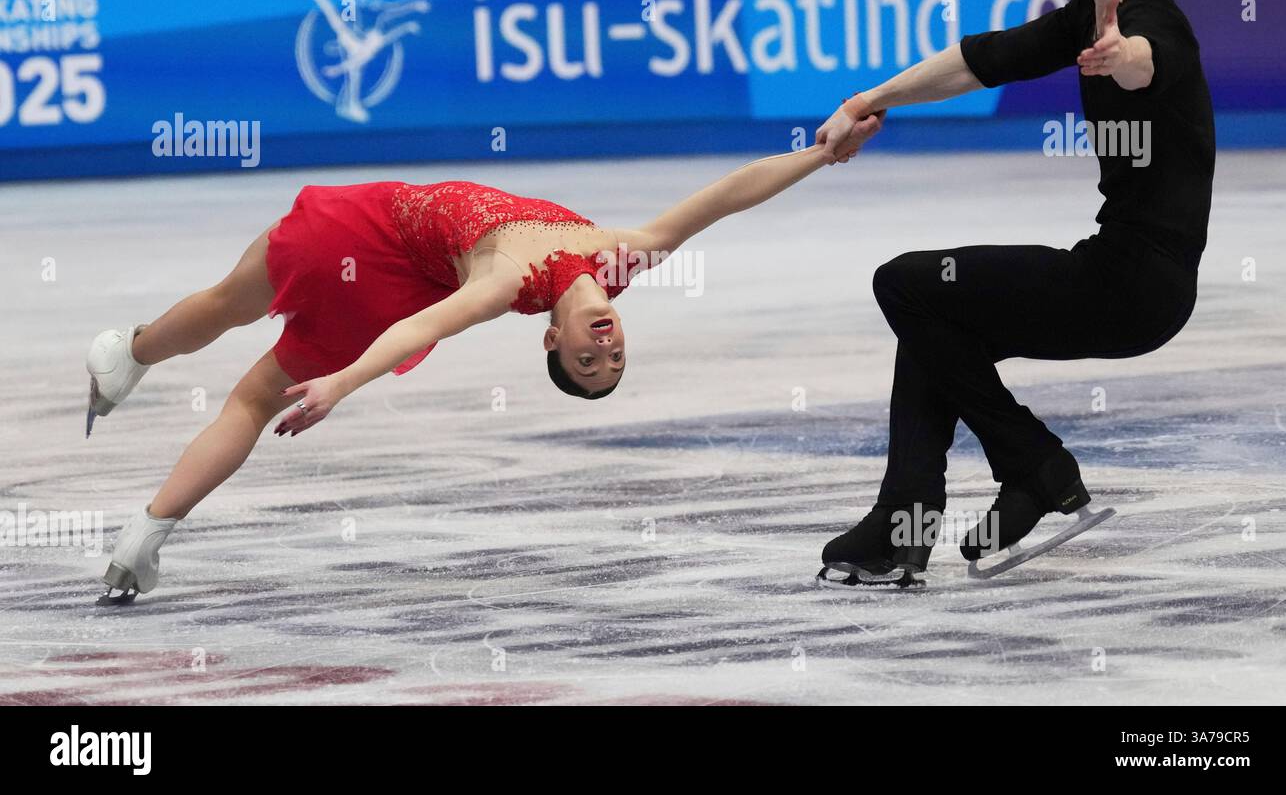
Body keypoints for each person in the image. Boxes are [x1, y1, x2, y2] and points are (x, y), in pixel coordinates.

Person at [89, 123, 885, 601]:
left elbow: (425, 323)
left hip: (369, 239)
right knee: (239, 331)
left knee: (245, 348)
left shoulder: (509, 283)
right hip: (397, 271)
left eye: (587, 363)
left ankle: (130, 365)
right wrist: (821, 153)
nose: (604, 348)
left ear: (550, 341)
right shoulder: (619, 261)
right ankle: (144, 527)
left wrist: (343, 380)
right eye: (612, 358)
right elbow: (727, 195)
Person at [816, 0, 1215, 582]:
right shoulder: (1088, 16)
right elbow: (982, 60)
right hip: (1126, 275)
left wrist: (1123, 56)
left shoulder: (1149, 19)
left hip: (1135, 283)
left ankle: (1035, 463)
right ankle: (903, 525)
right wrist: (864, 102)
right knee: (934, 324)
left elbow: (1153, 61)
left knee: (904, 285)